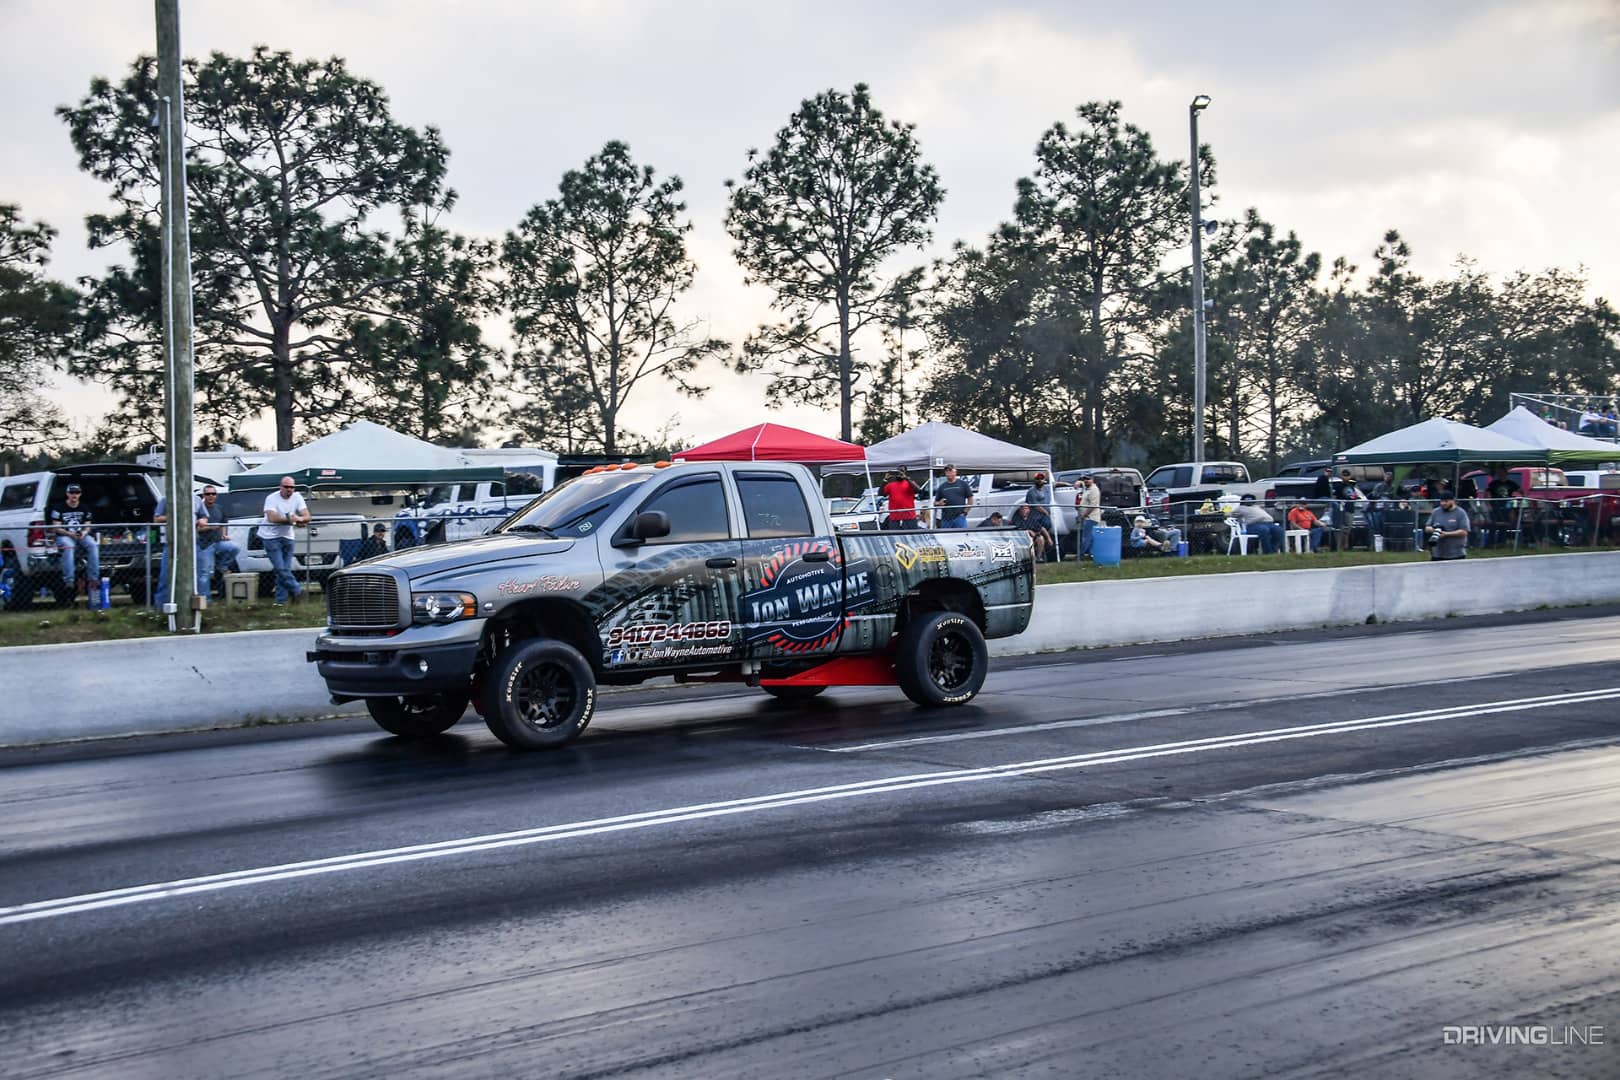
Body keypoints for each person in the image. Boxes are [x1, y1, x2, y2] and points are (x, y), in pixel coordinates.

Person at [152, 489, 206, 608]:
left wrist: (202, 520)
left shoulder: (196, 499)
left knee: (199, 575)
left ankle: (199, 605)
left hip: (193, 542)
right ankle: (161, 606)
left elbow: (204, 516)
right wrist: (174, 516)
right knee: (167, 576)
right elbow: (156, 518)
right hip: (172, 543)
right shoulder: (166, 499)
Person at [261, 476, 311, 603]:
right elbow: (272, 518)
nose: (289, 489)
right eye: (286, 487)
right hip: (271, 537)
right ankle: (297, 591)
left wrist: (298, 519)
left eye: (292, 487)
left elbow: (307, 516)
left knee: (285, 570)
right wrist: (290, 519)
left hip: (288, 536)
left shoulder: (297, 497)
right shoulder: (272, 498)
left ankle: (280, 601)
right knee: (280, 568)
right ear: (281, 487)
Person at [48, 483, 100, 604]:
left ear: (80, 494)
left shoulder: (84, 507)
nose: (74, 495)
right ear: (67, 494)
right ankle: (69, 580)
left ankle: (93, 578)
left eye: (76, 492)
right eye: (72, 492)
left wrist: (84, 532)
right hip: (64, 535)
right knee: (69, 547)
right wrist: (70, 534)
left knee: (93, 545)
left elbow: (88, 524)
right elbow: (56, 528)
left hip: (80, 534)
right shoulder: (58, 508)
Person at [195, 484, 242, 595]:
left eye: (213, 494)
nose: (211, 496)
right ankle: (205, 599)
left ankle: (222, 565)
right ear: (203, 495)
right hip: (204, 545)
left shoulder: (219, 508)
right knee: (204, 573)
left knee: (234, 547)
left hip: (218, 542)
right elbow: (197, 529)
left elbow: (224, 523)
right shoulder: (199, 509)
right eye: (208, 494)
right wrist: (212, 527)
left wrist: (224, 535)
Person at [1424, 491, 1471, 561]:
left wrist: (1447, 534)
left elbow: (1464, 532)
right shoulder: (1436, 512)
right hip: (1437, 554)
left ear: (1453, 501)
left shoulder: (1461, 513)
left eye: (1446, 501)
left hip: (1456, 554)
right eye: (1441, 501)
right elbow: (1427, 528)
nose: (1443, 503)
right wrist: (1435, 530)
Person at [934, 464, 975, 529]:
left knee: (962, 537)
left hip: (959, 518)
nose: (948, 473)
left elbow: (971, 499)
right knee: (946, 538)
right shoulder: (942, 487)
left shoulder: (963, 484)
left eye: (950, 471)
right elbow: (935, 503)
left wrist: (964, 512)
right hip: (946, 519)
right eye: (947, 471)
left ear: (955, 472)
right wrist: (939, 503)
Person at [1075, 475, 1102, 560]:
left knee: (1086, 537)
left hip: (1091, 517)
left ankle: (1080, 555)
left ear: (1092, 480)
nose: (1086, 481)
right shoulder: (1086, 489)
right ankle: (1092, 554)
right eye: (1084, 479)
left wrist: (1084, 515)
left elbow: (1093, 506)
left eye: (1088, 479)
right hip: (1087, 518)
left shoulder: (1094, 490)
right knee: (1090, 538)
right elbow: (1076, 485)